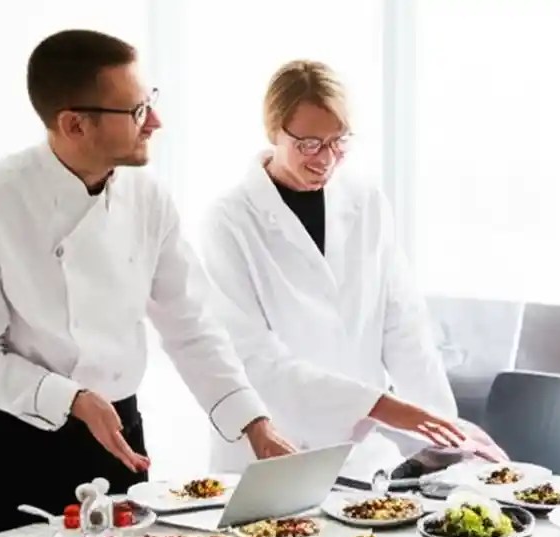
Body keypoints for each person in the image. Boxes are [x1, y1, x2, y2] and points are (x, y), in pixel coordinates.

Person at [0, 28, 291, 537]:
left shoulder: (148, 197)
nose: (154, 120)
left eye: (148, 100)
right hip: (15, 436)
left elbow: (188, 322)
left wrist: (255, 421)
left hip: (117, 431)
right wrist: (68, 396)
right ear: (73, 123)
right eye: (137, 109)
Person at [198, 60, 497, 480]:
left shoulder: (366, 202)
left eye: (339, 141)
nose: (327, 158)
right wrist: (382, 406)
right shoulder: (228, 219)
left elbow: (404, 327)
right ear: (274, 131)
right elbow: (254, 358)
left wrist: (446, 437)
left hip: (360, 455)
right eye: (310, 144)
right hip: (272, 449)